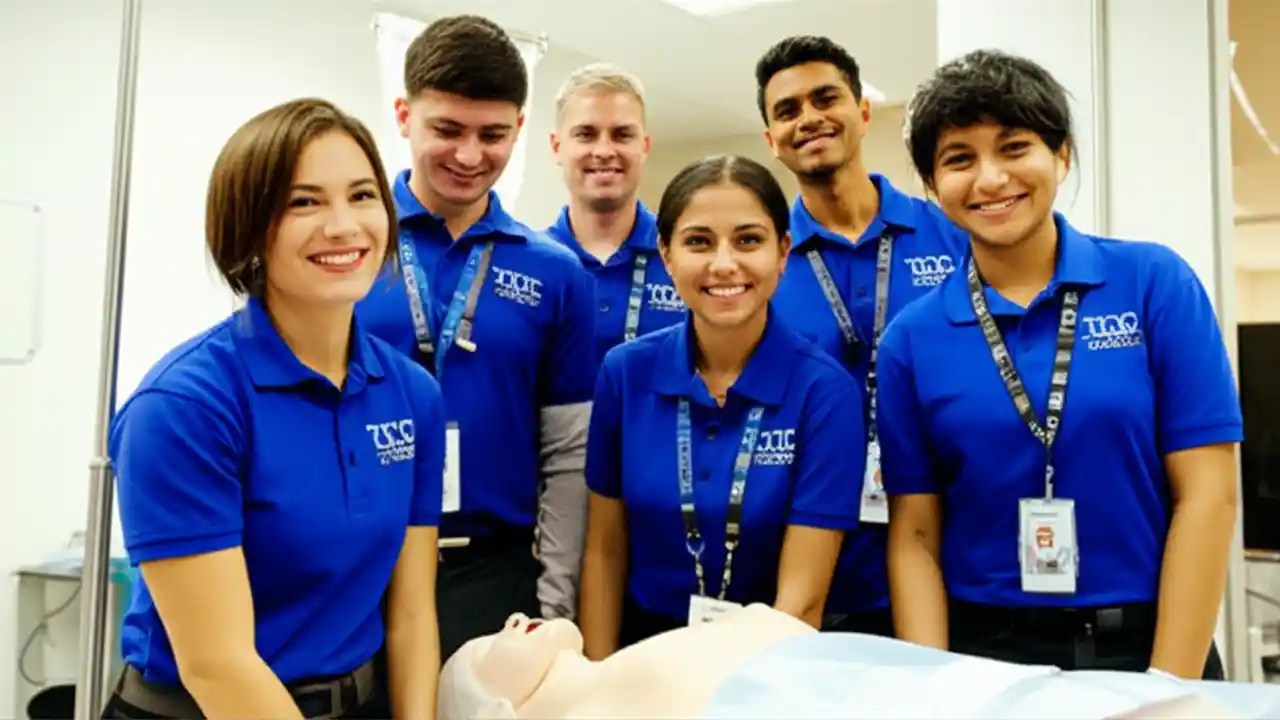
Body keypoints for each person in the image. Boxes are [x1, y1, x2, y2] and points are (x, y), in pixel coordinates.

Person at [879, 49, 1242, 679]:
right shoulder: (912, 338)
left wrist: (1168, 685)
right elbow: (915, 535)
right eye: (959, 159)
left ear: (1062, 155)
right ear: (933, 189)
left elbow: (1209, 493)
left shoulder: (1153, 282)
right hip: (985, 656)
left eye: (1014, 147)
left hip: (1148, 646)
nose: (990, 179)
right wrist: (932, 688)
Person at [103, 98, 444, 719]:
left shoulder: (412, 394)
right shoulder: (184, 407)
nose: (343, 226)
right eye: (303, 202)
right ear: (250, 228)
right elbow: (218, 665)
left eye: (363, 195)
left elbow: (413, 612)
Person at [355, 15, 598, 661]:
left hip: (490, 575)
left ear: (519, 129)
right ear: (404, 115)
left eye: (492, 135)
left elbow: (568, 457)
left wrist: (555, 606)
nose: (469, 156)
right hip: (355, 569)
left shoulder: (554, 272)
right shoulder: (351, 243)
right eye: (447, 129)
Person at [578, 154, 865, 659]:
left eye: (748, 240)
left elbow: (802, 602)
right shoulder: (623, 374)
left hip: (773, 662)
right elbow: (605, 550)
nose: (724, 263)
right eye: (699, 242)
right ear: (666, 255)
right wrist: (596, 683)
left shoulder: (826, 393)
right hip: (644, 654)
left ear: (783, 252)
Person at [752, 35, 970, 637]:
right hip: (815, 573)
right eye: (787, 111)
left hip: (953, 564)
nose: (810, 119)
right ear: (771, 140)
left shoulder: (951, 235)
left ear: (863, 110)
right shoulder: (763, 262)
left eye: (826, 98)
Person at [436, 604, 1278, 720]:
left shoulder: (627, 663)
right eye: (489, 647)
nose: (513, 621)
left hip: (885, 674)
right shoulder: (595, 705)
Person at [545, 63, 685, 364]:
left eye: (622, 135)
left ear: (644, 146)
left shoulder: (688, 258)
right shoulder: (528, 263)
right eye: (586, 134)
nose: (604, 150)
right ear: (556, 147)